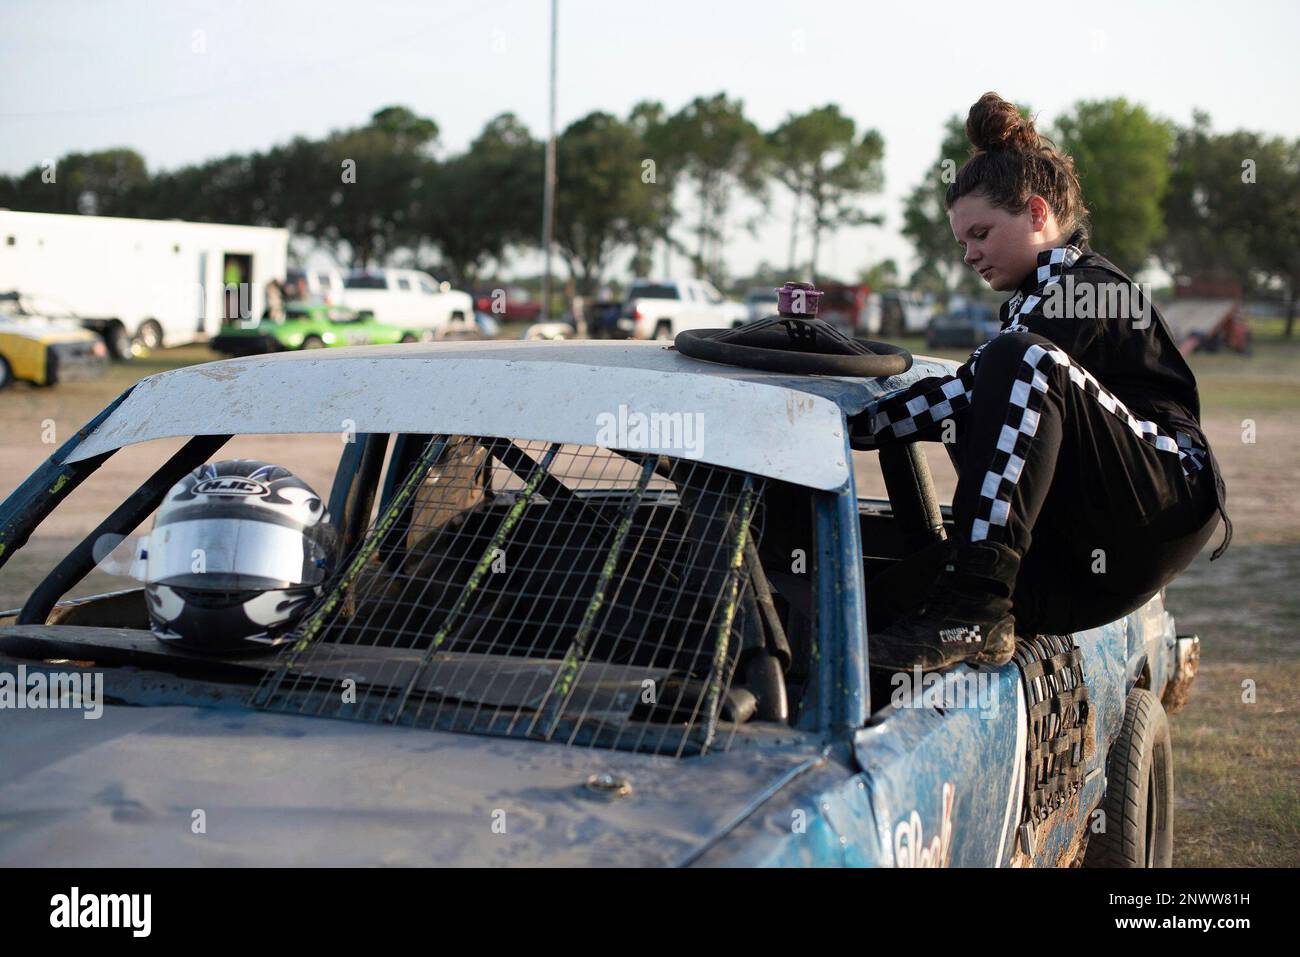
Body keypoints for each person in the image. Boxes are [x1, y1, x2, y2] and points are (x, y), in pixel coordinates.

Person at [852, 92, 1231, 672]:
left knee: (1017, 360)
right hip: (1082, 547)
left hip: (1161, 497)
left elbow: (967, 390)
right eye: (962, 243)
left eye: (980, 233)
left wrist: (850, 420)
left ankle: (973, 608)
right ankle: (973, 604)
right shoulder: (1032, 302)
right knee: (879, 606)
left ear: (1035, 213)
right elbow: (970, 396)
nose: (970, 255)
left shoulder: (1089, 287)